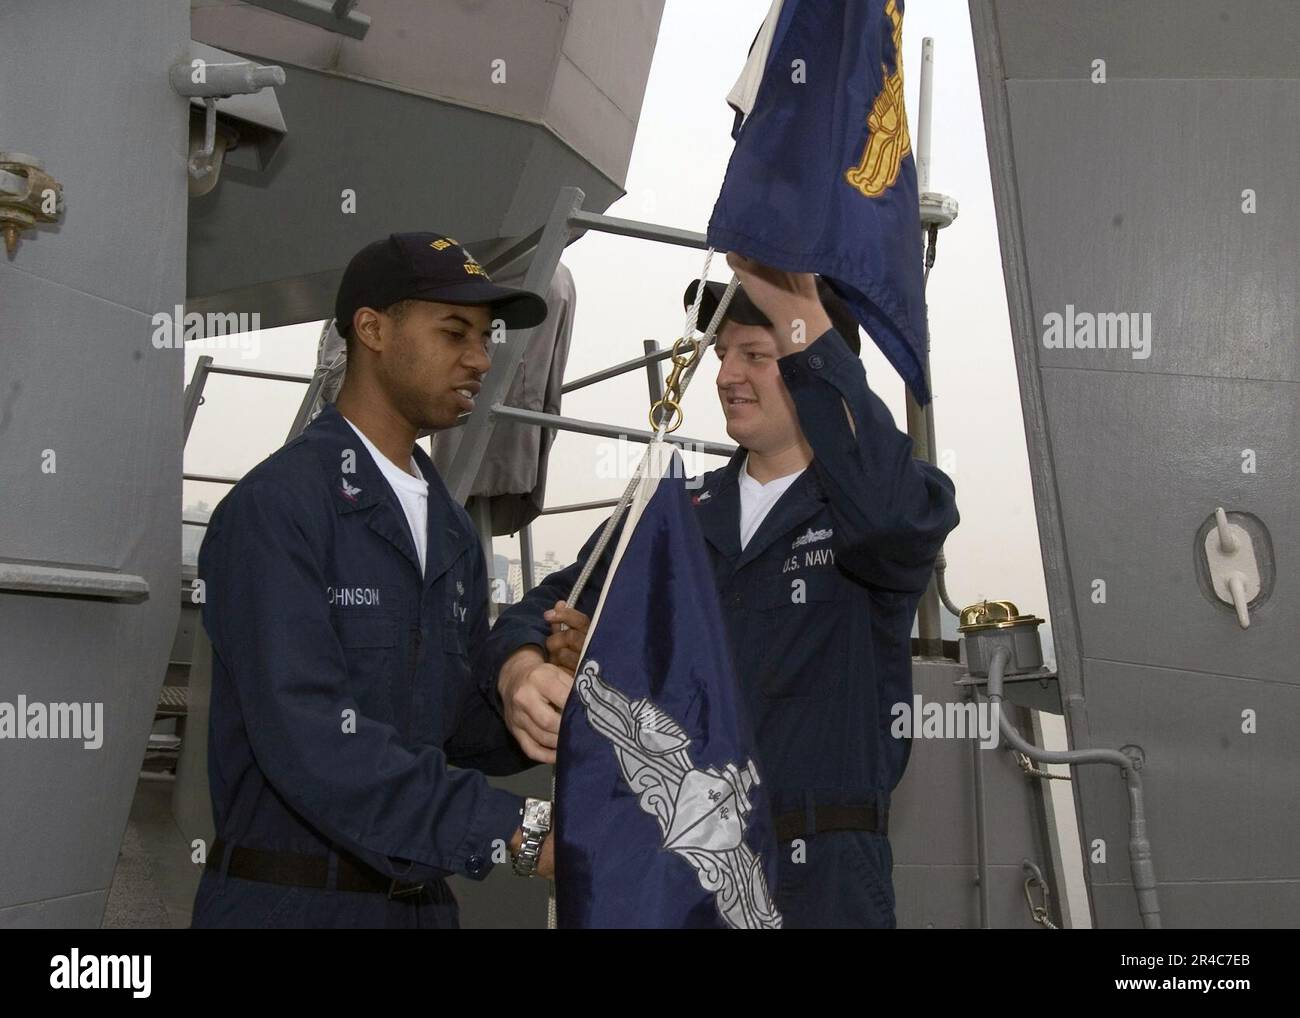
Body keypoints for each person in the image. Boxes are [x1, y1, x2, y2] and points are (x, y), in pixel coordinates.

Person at [485, 253, 959, 928]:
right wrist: (522, 669)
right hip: (675, 876)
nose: (727, 375)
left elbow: (895, 520)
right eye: (723, 354)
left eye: (756, 355)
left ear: (809, 366)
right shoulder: (672, 515)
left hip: (819, 882)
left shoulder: (874, 513)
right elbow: (542, 608)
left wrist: (808, 325)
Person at [192, 232, 556, 929]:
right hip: (292, 906)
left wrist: (531, 697)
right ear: (373, 330)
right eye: (455, 332)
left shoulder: (450, 531)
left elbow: (447, 729)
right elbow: (314, 741)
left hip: (419, 910)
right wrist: (525, 832)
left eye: (485, 337)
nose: (480, 359)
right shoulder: (280, 509)